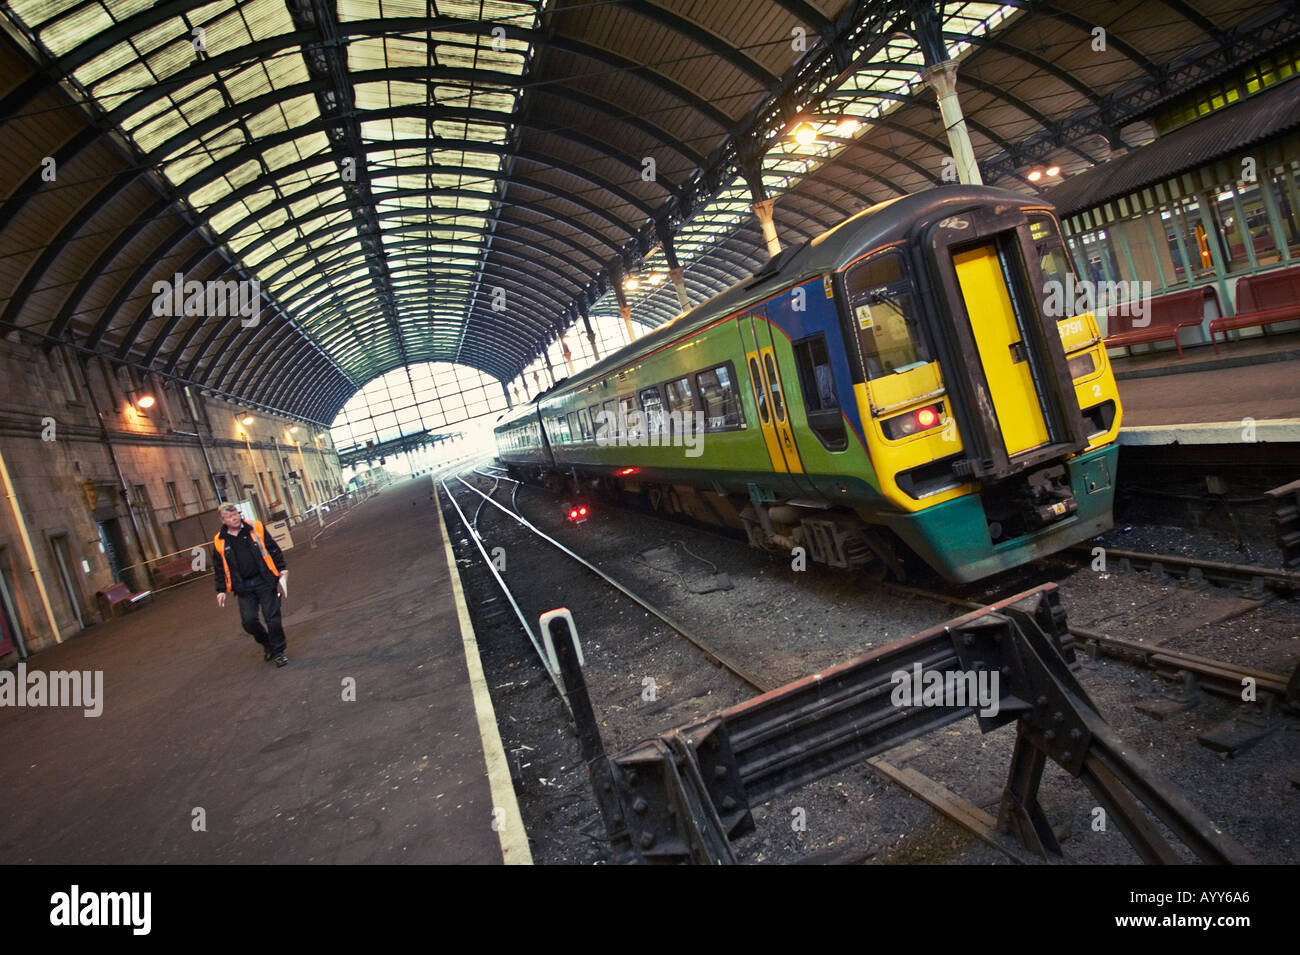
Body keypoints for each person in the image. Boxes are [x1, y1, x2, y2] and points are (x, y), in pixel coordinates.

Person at [213, 504, 290, 667]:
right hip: (243, 587)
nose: (235, 518)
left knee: (272, 618)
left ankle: (279, 652)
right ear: (223, 520)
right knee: (248, 622)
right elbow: (219, 566)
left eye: (236, 514)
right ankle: (267, 643)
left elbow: (272, 548)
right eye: (230, 516)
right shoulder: (219, 540)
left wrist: (282, 569)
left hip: (264, 580)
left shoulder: (256, 527)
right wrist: (221, 590)